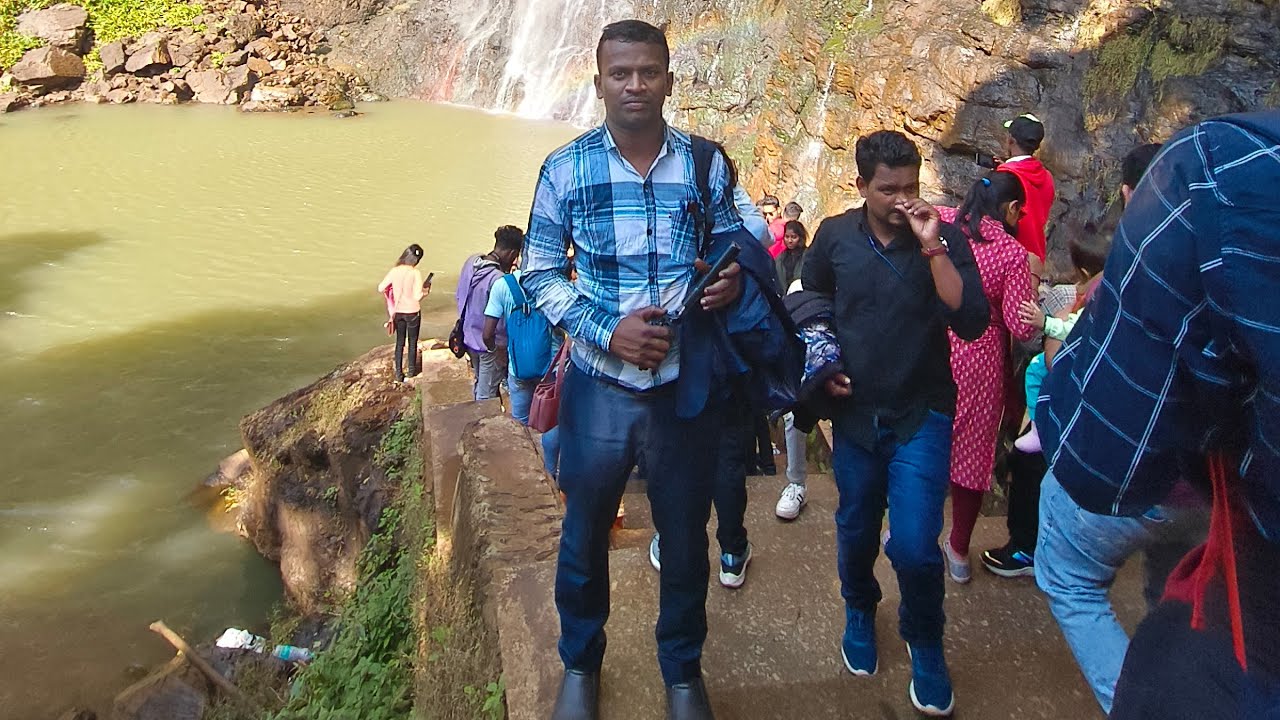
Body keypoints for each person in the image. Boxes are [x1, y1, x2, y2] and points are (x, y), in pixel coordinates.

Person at [521, 20, 747, 720]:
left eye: (649, 72)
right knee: (584, 534)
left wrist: (731, 278)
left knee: (685, 539)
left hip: (684, 389)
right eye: (620, 73)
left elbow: (735, 238)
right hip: (599, 389)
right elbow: (537, 271)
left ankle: (682, 671)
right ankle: (580, 663)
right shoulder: (564, 169)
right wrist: (606, 330)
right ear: (599, 84)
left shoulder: (706, 164)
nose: (635, 85)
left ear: (669, 81)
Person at [1038, 112, 1280, 719]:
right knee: (1173, 575)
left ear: (1129, 194)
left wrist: (1055, 354)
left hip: (1248, 615)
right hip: (1210, 516)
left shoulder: (1217, 170)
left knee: (1067, 570)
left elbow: (1101, 467)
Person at [803, 130, 988, 717]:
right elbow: (812, 298)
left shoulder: (943, 235)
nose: (903, 200)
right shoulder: (835, 236)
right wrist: (823, 362)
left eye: (911, 186)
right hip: (856, 416)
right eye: (889, 190)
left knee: (913, 545)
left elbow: (971, 320)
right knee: (857, 526)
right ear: (862, 186)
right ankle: (860, 606)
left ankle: (925, 639)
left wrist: (933, 247)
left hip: (922, 412)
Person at [978, 228, 1111, 579]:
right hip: (1091, 411)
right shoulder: (1119, 293)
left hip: (1066, 409)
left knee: (1031, 469)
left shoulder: (1083, 298)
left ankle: (1027, 548)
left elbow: (1053, 356)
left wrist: (1049, 320)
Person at [936, 173, 1038, 584]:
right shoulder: (1012, 253)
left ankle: (912, 531)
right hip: (980, 354)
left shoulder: (942, 222)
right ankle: (959, 550)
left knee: (928, 439)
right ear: (1011, 209)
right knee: (972, 453)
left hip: (935, 343)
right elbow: (1021, 325)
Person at [482, 249, 562, 479]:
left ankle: (526, 475)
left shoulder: (503, 285)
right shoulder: (556, 284)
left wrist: (497, 354)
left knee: (521, 423)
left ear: (519, 258)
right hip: (551, 368)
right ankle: (551, 473)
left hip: (518, 368)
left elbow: (487, 333)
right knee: (553, 422)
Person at [456, 226, 521, 401]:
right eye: (515, 257)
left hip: (468, 337)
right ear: (511, 253)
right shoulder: (498, 280)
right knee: (487, 396)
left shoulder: (472, 262)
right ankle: (481, 417)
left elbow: (460, 295)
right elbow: (500, 322)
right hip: (488, 345)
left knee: (480, 381)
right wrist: (498, 349)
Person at [995, 113, 1055, 278]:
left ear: (1011, 140)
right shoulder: (1047, 176)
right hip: (1035, 257)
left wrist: (1001, 174)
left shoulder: (1006, 174)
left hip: (1010, 257)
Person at [378, 243, 430, 382]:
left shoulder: (395, 271)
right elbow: (417, 296)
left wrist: (392, 291)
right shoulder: (415, 273)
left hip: (398, 312)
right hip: (412, 312)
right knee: (412, 342)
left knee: (399, 342)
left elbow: (381, 287)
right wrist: (426, 292)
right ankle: (411, 373)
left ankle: (399, 374)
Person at [773, 220, 807, 290]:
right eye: (787, 237)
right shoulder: (779, 259)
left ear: (800, 238)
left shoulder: (808, 256)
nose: (790, 241)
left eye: (794, 237)